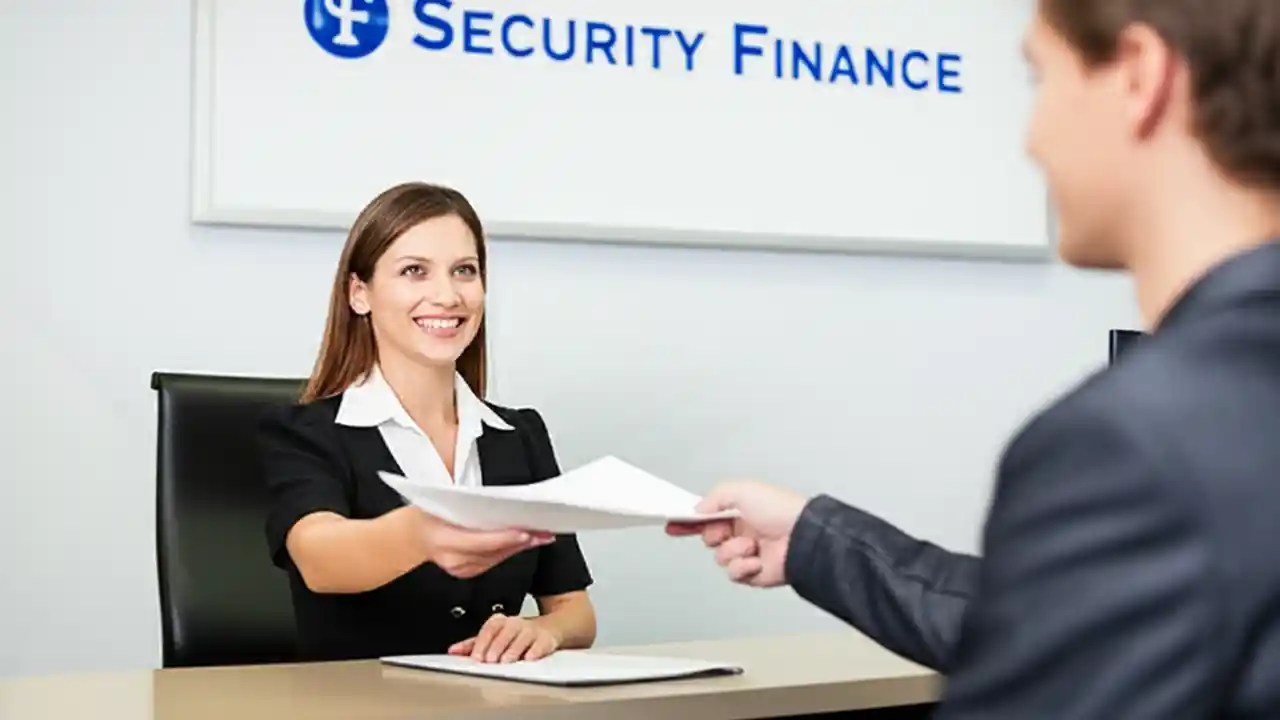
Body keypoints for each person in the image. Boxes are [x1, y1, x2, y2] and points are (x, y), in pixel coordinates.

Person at [671, 0, 1280, 716]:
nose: (1032, 139)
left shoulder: (1130, 442)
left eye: (1040, 79)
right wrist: (818, 540)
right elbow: (1082, 621)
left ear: (1140, 78)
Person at [259, 182, 597, 663]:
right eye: (414, 271)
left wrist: (544, 632)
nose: (446, 295)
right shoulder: (305, 432)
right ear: (360, 293)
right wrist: (420, 533)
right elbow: (318, 556)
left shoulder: (520, 437)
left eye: (465, 271)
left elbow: (574, 610)